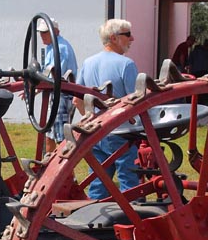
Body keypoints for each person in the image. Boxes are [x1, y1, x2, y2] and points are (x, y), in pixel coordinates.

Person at [75, 19, 138, 199]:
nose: (132, 38)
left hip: (97, 132)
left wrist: (93, 119)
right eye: (127, 35)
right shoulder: (126, 64)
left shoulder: (88, 63)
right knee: (130, 181)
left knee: (98, 183)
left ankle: (93, 222)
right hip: (122, 132)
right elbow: (137, 102)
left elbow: (76, 100)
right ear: (113, 38)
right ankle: (135, 220)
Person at [37, 19, 78, 153]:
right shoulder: (52, 47)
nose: (42, 35)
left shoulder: (60, 47)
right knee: (50, 133)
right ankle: (49, 168)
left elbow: (56, 75)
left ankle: (66, 172)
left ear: (56, 32)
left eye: (45, 32)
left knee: (61, 136)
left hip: (62, 94)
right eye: (41, 32)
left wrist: (37, 87)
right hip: (56, 93)